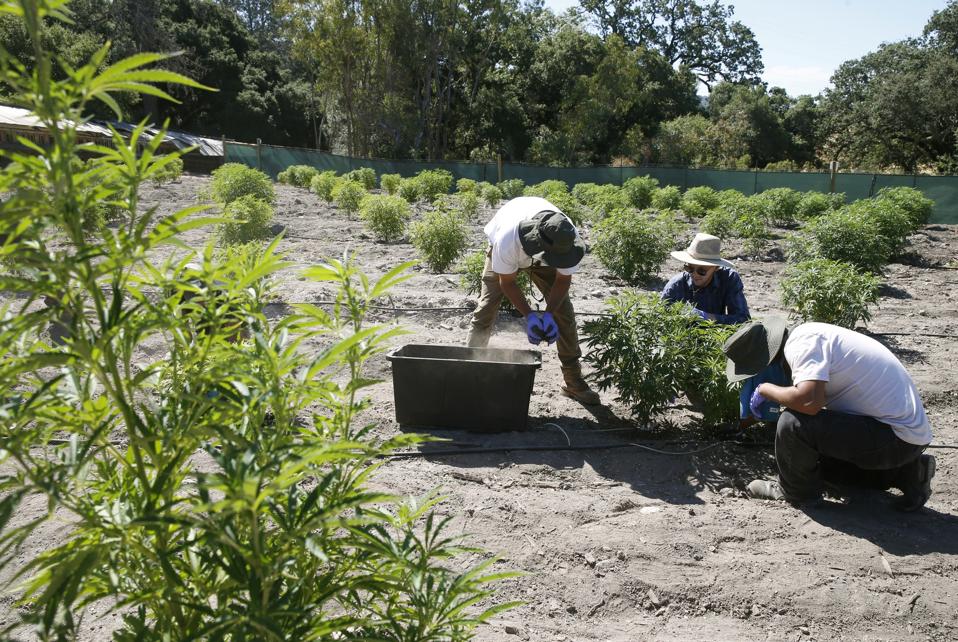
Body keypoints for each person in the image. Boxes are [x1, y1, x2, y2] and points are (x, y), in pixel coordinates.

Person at [723, 318, 935, 511]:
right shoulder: (811, 334)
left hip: (893, 438)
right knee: (819, 468)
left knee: (792, 423)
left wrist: (765, 389)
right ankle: (909, 474)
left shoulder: (801, 344)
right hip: (907, 438)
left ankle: (794, 493)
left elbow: (809, 402)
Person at [467, 196, 600, 405]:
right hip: (512, 248)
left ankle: (573, 381)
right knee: (486, 308)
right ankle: (468, 371)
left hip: (546, 251)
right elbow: (507, 282)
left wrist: (549, 314)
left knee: (564, 313)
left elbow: (563, 280)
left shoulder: (566, 238)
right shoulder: (507, 240)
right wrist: (529, 316)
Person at [661, 233, 750, 324]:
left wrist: (707, 317)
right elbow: (661, 318)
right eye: (690, 268)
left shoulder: (728, 278)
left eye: (702, 271)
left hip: (717, 331)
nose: (695, 274)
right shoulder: (676, 285)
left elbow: (743, 318)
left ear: (716, 267)